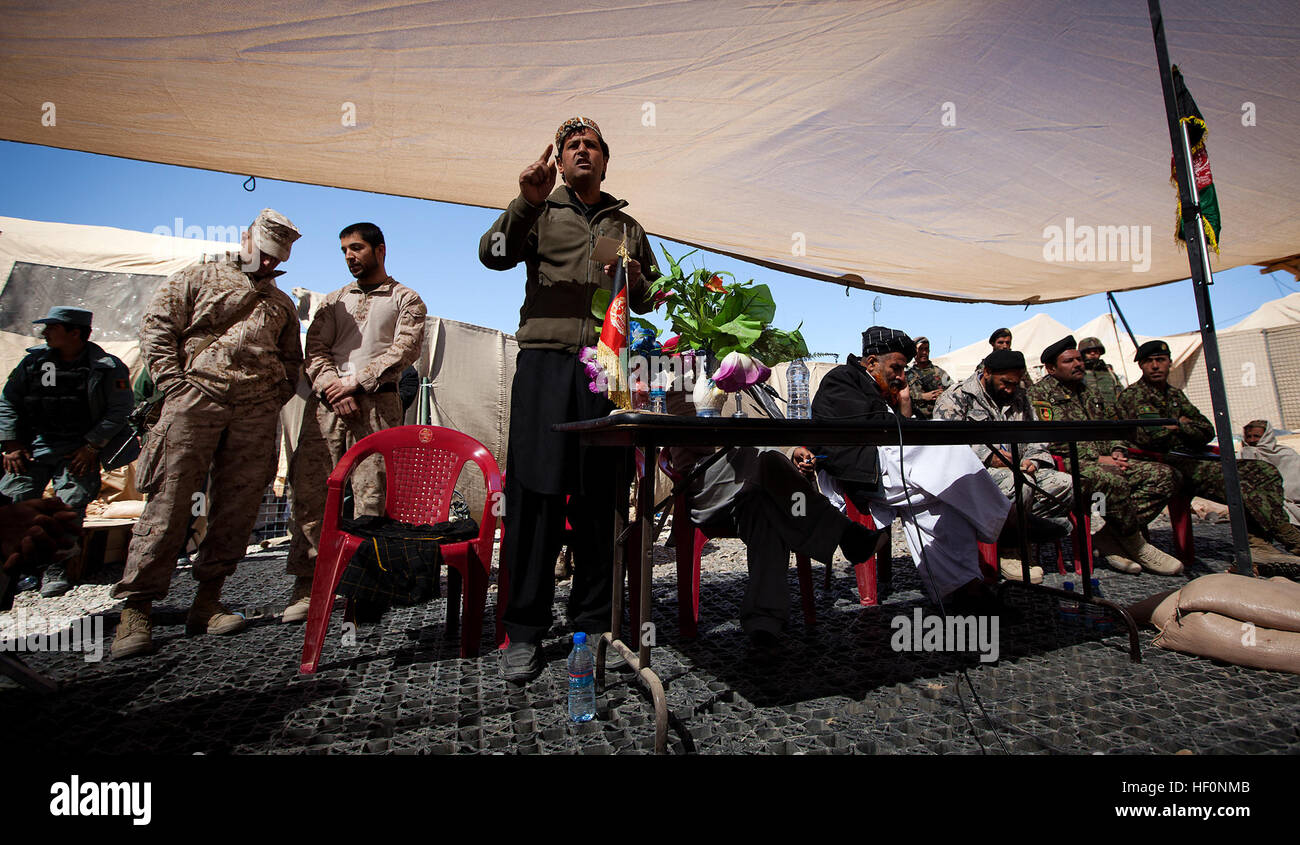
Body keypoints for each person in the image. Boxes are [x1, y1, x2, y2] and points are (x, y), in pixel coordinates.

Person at [479, 117, 660, 683]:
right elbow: (493, 255)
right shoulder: (540, 211)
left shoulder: (627, 224)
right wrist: (524, 202)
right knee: (534, 494)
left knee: (602, 495)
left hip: (607, 372)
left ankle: (593, 624)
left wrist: (633, 278)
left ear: (606, 160)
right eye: (572, 146)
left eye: (592, 146)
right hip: (546, 365)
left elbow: (651, 299)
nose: (582, 151)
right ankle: (524, 631)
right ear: (559, 161)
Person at [109, 209, 304, 660]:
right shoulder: (197, 277)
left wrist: (273, 396)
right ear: (246, 240)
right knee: (170, 501)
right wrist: (173, 383)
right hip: (194, 401)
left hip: (254, 412)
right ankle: (137, 610)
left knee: (237, 508)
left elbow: (292, 358)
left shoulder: (281, 304)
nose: (271, 265)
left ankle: (208, 602)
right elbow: (158, 326)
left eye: (279, 259)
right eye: (266, 254)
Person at [282, 223, 427, 623]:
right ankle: (307, 583)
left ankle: (368, 589)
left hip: (378, 406)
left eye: (357, 248)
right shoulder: (333, 302)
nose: (349, 256)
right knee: (312, 492)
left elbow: (405, 349)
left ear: (380, 249)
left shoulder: (406, 299)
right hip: (326, 409)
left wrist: (356, 383)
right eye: (344, 249)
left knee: (373, 497)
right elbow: (316, 349)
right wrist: (332, 387)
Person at [812, 327, 1012, 609]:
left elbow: (896, 431)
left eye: (903, 369)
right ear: (871, 362)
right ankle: (1006, 521)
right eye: (896, 367)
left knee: (941, 503)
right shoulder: (842, 380)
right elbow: (875, 432)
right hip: (863, 471)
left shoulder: (874, 387)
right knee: (945, 441)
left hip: (889, 469)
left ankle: (966, 592)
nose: (901, 376)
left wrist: (903, 401)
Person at [1116, 340, 1300, 568]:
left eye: (1160, 360)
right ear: (1141, 366)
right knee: (1238, 480)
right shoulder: (1134, 396)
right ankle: (1289, 537)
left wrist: (1178, 426)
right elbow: (1153, 437)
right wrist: (1182, 425)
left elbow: (1206, 430)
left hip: (1194, 458)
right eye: (1148, 362)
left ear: (1169, 363)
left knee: (1264, 470)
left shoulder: (1175, 395)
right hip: (1165, 463)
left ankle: (1259, 543)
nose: (1155, 366)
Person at [0, 306, 133, 597]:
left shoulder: (107, 367)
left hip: (77, 449)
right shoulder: (32, 363)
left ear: (75, 333)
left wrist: (92, 446)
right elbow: (9, 401)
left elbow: (120, 410)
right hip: (32, 447)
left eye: (52, 328)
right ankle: (19, 570)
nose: (44, 333)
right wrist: (10, 443)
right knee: (17, 499)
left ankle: (55, 568)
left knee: (70, 504)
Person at [1027, 336, 1183, 575]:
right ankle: (1136, 543)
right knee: (1111, 479)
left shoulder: (1091, 391)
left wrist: (1117, 450)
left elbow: (1113, 425)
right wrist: (1099, 460)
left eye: (1079, 359)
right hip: (1067, 466)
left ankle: (1110, 535)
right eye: (1069, 361)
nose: (1078, 364)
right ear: (1051, 368)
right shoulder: (1040, 395)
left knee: (1166, 476)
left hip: (1106, 461)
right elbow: (1051, 442)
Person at [933, 348, 1074, 583]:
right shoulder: (957, 398)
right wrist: (990, 457)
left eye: (1015, 383)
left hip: (1019, 470)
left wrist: (1034, 460)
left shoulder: (1019, 396)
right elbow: (944, 444)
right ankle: (1009, 549)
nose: (1010, 388)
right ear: (987, 372)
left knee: (1064, 483)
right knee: (1022, 484)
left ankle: (1018, 534)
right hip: (973, 475)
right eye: (1005, 382)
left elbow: (1036, 435)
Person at [1240, 420, 1300, 526]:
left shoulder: (1286, 455)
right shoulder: (1242, 457)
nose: (1252, 440)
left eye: (1256, 436)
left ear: (1266, 436)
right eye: (1249, 437)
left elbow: (1294, 487)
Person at [905, 336, 951, 420]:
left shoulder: (939, 373)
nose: (924, 352)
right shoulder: (907, 375)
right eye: (921, 349)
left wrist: (942, 395)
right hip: (915, 419)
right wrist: (922, 396)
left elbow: (952, 392)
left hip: (936, 418)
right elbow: (901, 397)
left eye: (926, 349)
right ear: (914, 351)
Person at [1078, 336, 1124, 406]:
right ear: (1082, 354)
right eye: (1088, 352)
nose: (1092, 354)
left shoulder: (1108, 371)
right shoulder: (1078, 371)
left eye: (1096, 351)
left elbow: (1119, 391)